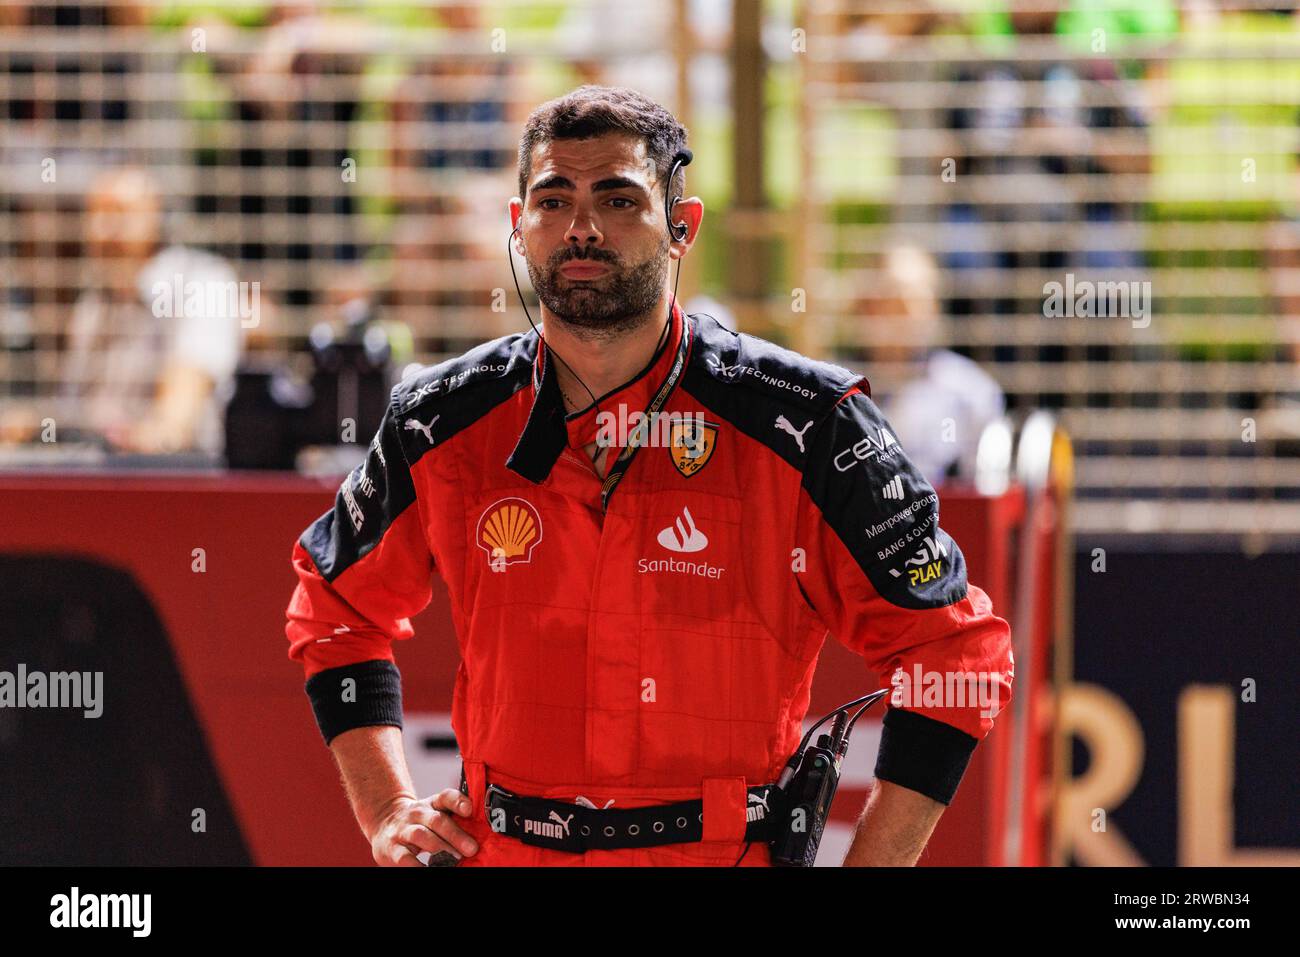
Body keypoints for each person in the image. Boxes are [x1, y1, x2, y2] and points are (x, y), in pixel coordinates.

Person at [284, 86, 1013, 867]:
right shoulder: (442, 419)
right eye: (553, 199)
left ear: (682, 227)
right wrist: (388, 806)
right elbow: (333, 610)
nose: (582, 227)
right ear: (519, 228)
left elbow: (955, 659)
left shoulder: (806, 424)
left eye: (619, 199)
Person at [854, 245, 1006, 481]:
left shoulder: (972, 392)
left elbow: (981, 491)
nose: (907, 313)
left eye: (917, 299)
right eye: (892, 299)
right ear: (866, 307)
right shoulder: (841, 390)